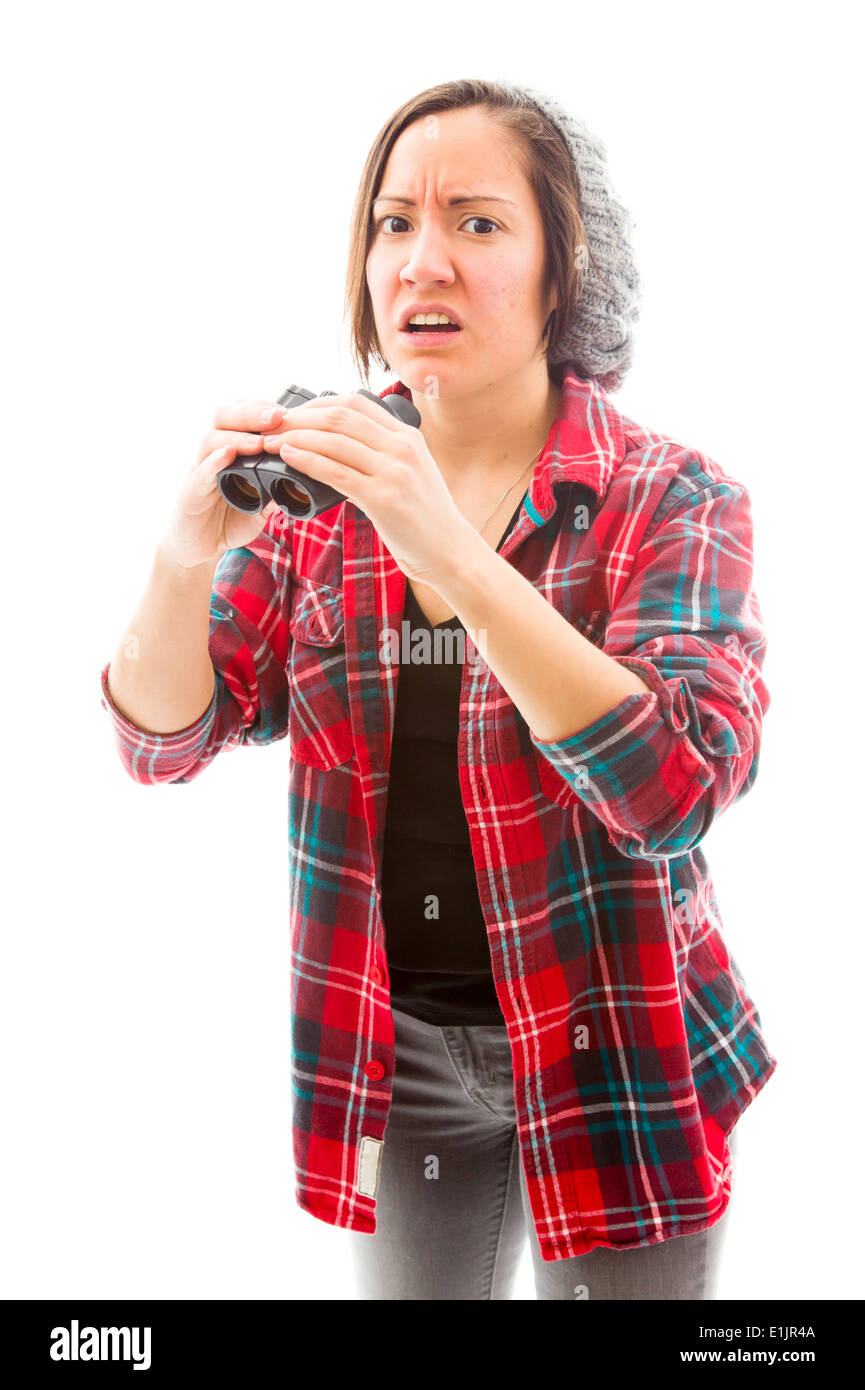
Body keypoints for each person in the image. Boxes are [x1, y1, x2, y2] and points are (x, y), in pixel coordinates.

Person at [99, 77, 777, 1300]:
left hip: (617, 1039)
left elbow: (674, 787)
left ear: (564, 271)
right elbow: (165, 741)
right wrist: (183, 553)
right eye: (393, 222)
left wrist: (449, 547)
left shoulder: (676, 497)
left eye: (476, 221)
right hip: (393, 1053)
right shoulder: (323, 499)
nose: (423, 261)